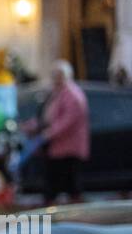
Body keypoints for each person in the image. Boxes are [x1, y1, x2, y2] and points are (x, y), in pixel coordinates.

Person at [32, 60, 90, 204]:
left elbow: (68, 121)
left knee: (68, 183)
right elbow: (49, 115)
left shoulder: (72, 95)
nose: (55, 78)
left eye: (58, 75)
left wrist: (49, 133)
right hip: (57, 147)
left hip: (68, 148)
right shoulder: (57, 92)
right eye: (54, 75)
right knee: (55, 181)